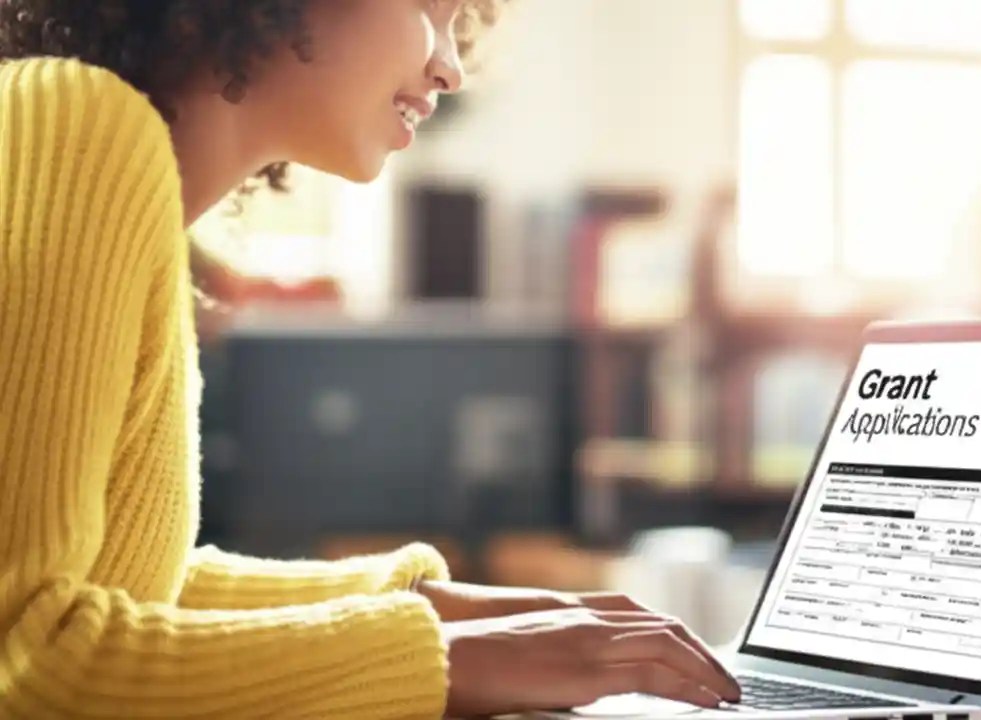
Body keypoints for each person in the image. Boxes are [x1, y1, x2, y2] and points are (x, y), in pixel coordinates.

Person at [0, 1, 741, 716]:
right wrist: (455, 659)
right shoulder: (72, 118)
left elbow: (130, 592)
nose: (450, 70)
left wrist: (423, 607)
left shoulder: (130, 186)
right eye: (430, 8)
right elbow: (28, 658)